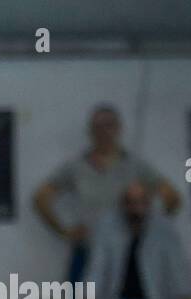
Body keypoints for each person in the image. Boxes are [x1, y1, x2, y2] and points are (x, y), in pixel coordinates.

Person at [34, 104, 181, 283]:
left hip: (125, 257)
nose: (103, 132)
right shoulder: (76, 167)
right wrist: (64, 231)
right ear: (90, 131)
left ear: (119, 128)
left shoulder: (135, 166)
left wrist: (149, 231)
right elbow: (40, 198)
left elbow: (172, 198)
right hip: (88, 251)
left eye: (109, 125)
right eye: (97, 127)